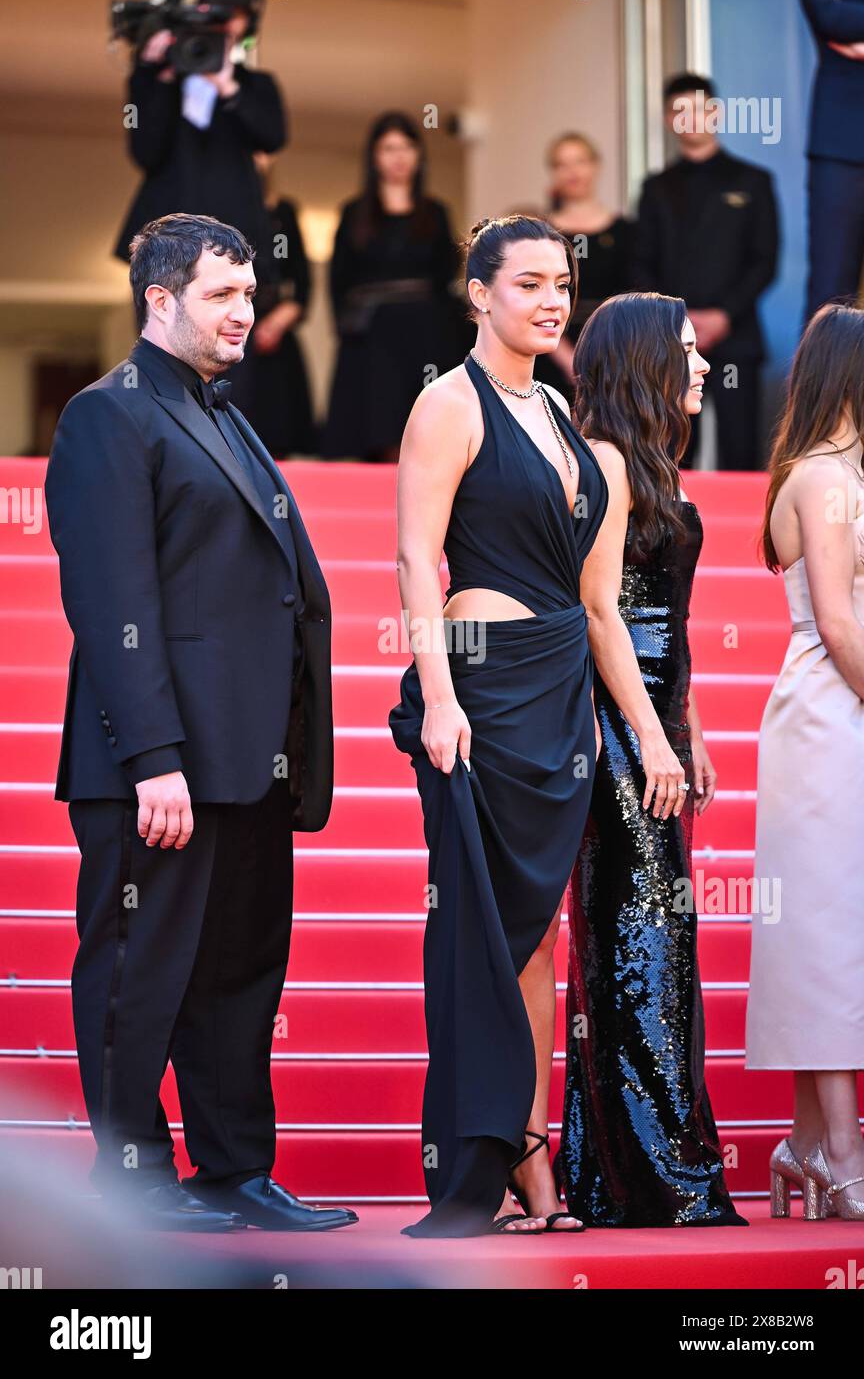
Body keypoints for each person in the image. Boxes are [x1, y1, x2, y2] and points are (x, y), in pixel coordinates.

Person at [45, 212, 357, 1234]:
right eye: (222, 294)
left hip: (249, 761)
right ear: (160, 299)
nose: (246, 311)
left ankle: (233, 1171)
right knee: (141, 971)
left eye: (249, 293)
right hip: (162, 766)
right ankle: (130, 1181)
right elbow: (111, 602)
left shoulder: (225, 413)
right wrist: (155, 760)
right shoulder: (109, 414)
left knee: (237, 979)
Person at [388, 214, 608, 1236]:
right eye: (528, 283)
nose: (551, 300)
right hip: (483, 691)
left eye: (560, 283)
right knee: (487, 934)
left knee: (536, 941)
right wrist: (437, 696)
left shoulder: (558, 407)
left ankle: (531, 1154)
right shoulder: (447, 402)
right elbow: (413, 561)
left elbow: (592, 585)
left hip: (558, 686)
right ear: (480, 293)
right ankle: (500, 1161)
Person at [556, 292, 747, 1228]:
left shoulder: (655, 466)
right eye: (684, 349)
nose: (703, 362)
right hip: (612, 728)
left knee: (663, 947)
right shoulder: (600, 464)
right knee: (640, 946)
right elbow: (601, 614)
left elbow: (672, 618)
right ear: (643, 361)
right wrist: (651, 734)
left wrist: (694, 728)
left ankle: (620, 1176)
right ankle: (660, 1179)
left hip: (656, 725)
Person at [747, 302, 864, 1222]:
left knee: (835, 923)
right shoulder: (824, 478)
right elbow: (834, 620)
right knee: (826, 929)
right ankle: (840, 1148)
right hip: (832, 706)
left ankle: (803, 1146)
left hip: (838, 703)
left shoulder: (834, 473)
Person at [632, 74, 779, 471]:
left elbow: (765, 260)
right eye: (680, 111)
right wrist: (679, 320)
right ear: (667, 119)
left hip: (736, 340)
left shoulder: (753, 181)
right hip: (670, 344)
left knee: (742, 453)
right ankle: (672, 535)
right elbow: (641, 262)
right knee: (671, 457)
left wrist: (722, 314)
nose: (690, 119)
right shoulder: (655, 189)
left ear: (716, 113)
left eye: (699, 109)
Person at [114, 0, 285, 282]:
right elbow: (145, 153)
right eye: (215, 14)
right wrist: (158, 74)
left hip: (237, 228)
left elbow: (273, 137)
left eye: (233, 15)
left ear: (247, 23)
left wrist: (228, 88)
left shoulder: (256, 84)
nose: (222, 25)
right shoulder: (154, 80)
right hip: (166, 236)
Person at [322, 112, 461, 462]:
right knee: (376, 426)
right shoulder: (354, 213)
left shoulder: (436, 212)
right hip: (371, 338)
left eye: (407, 147)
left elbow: (447, 275)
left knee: (425, 429)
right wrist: (346, 333)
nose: (399, 156)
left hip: (425, 334)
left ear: (419, 155)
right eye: (388, 148)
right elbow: (338, 281)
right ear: (374, 156)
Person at [227, 151, 315, 457]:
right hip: (231, 325)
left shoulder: (284, 212)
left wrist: (278, 322)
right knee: (234, 425)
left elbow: (302, 283)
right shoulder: (219, 211)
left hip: (275, 330)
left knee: (278, 427)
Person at [535, 132, 634, 400]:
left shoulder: (626, 231)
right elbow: (535, 297)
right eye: (561, 164)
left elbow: (633, 298)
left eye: (579, 161)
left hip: (616, 352)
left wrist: (611, 356)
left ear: (596, 165)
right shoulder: (540, 233)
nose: (572, 171)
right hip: (552, 350)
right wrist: (567, 357)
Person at [800, 0, 864, 318]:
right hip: (840, 143)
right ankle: (820, 372)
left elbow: (844, 17)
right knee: (831, 288)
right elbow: (829, 15)